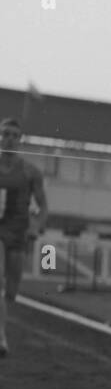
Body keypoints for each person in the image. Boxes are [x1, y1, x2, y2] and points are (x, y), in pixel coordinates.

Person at [0, 118, 49, 356]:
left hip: (18, 234)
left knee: (11, 292)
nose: (8, 138)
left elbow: (43, 207)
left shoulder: (31, 172)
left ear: (20, 140)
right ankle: (1, 337)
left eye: (13, 135)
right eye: (5, 133)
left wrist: (35, 227)